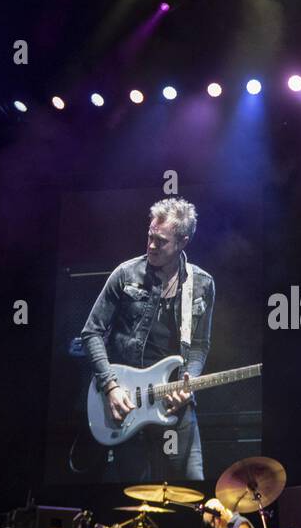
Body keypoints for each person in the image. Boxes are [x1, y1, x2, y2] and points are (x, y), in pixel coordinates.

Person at [81, 198, 214, 481]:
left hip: (174, 407)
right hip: (126, 402)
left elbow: (200, 345)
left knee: (192, 493)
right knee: (132, 498)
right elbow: (91, 332)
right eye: (150, 236)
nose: (151, 245)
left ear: (183, 242)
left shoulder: (202, 284)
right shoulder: (125, 274)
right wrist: (111, 386)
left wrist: (189, 381)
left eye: (161, 241)